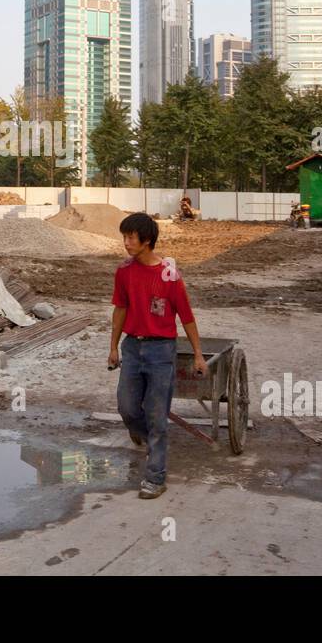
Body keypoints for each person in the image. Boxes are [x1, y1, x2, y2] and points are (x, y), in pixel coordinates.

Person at [108, 212, 206, 499]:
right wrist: (113, 347)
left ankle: (155, 476)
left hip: (161, 350)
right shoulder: (124, 272)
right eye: (124, 237)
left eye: (130, 237)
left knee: (156, 414)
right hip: (132, 348)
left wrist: (198, 354)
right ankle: (151, 437)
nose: (125, 242)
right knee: (127, 407)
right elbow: (120, 310)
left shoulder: (169, 274)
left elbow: (186, 316)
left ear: (146, 240)